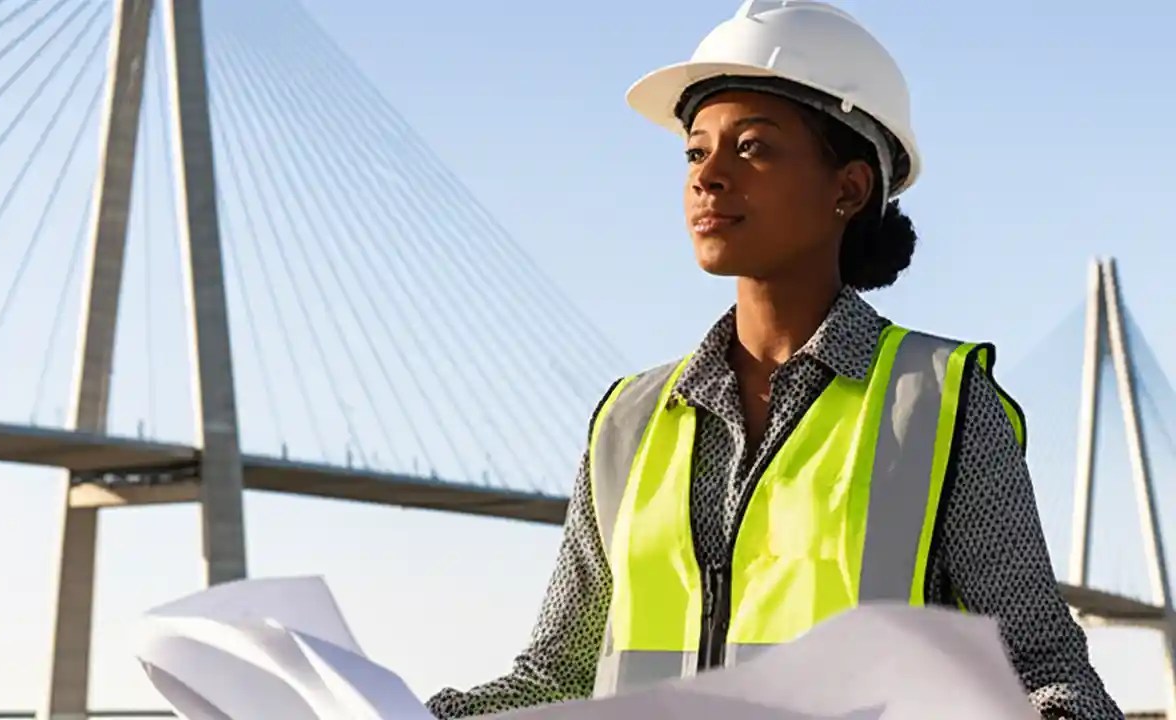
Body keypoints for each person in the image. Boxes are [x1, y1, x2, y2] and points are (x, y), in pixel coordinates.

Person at [426, 2, 1123, 718]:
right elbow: (557, 675)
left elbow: (1047, 673)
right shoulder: (627, 423)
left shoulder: (942, 406)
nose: (709, 176)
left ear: (848, 189)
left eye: (752, 147)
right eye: (696, 151)